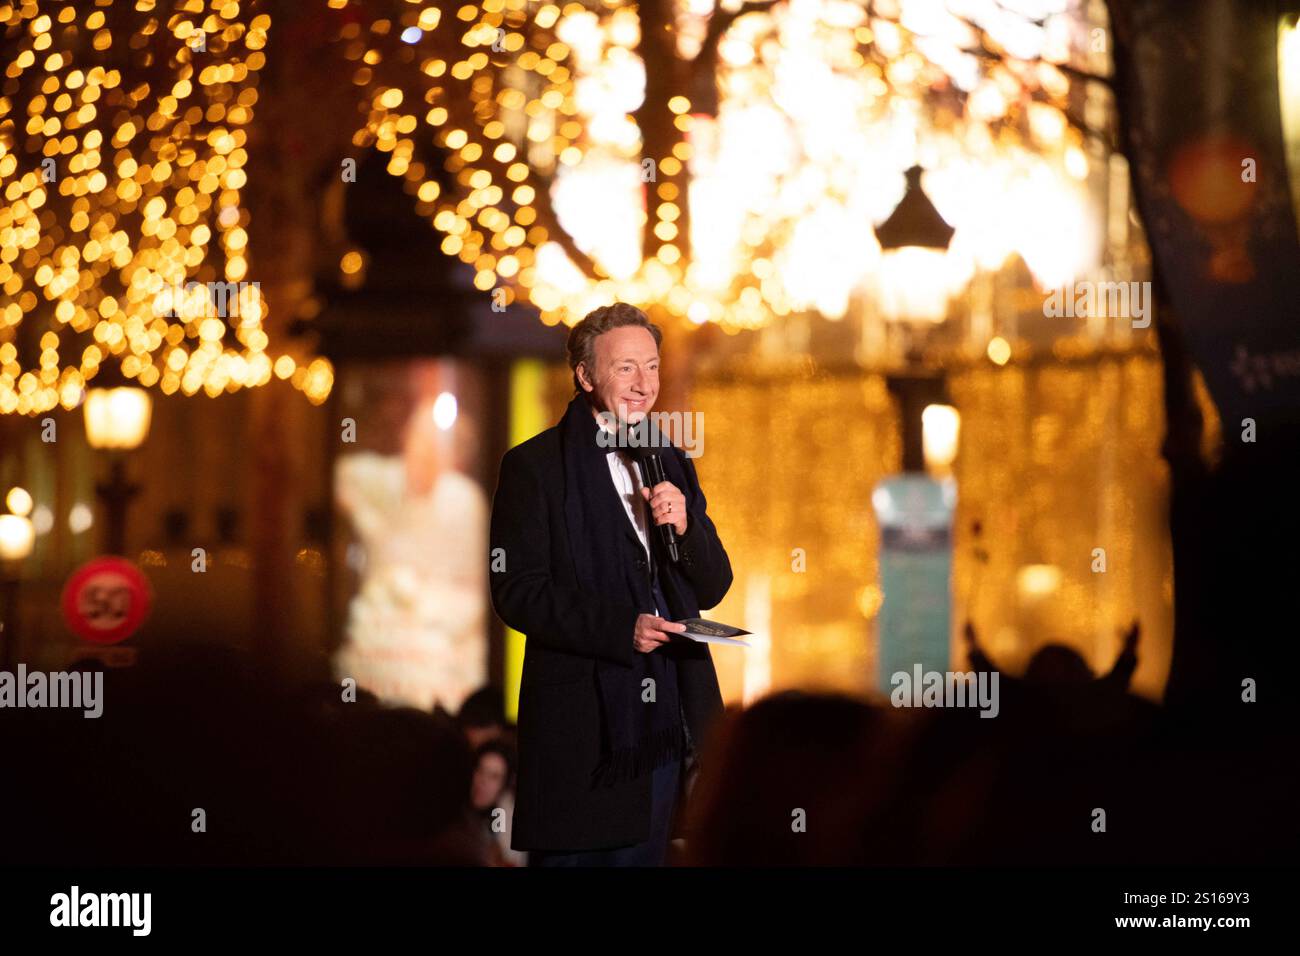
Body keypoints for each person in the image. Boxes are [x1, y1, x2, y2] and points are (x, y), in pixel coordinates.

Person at [488, 301, 734, 866]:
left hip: (668, 718)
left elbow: (714, 583)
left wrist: (686, 525)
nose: (643, 383)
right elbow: (516, 589)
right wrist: (620, 628)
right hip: (585, 728)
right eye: (625, 367)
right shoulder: (536, 467)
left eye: (651, 366)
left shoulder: (670, 458)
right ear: (586, 375)